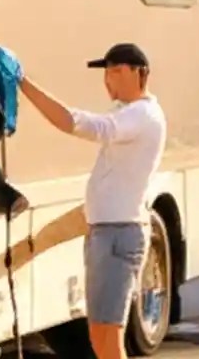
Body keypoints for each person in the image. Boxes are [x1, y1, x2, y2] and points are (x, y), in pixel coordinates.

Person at [15, 43, 167, 359]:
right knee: (99, 335)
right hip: (105, 232)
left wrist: (23, 83)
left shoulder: (143, 114)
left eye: (115, 71)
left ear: (140, 73)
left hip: (119, 234)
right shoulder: (127, 114)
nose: (107, 80)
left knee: (109, 337)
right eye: (106, 73)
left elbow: (80, 124)